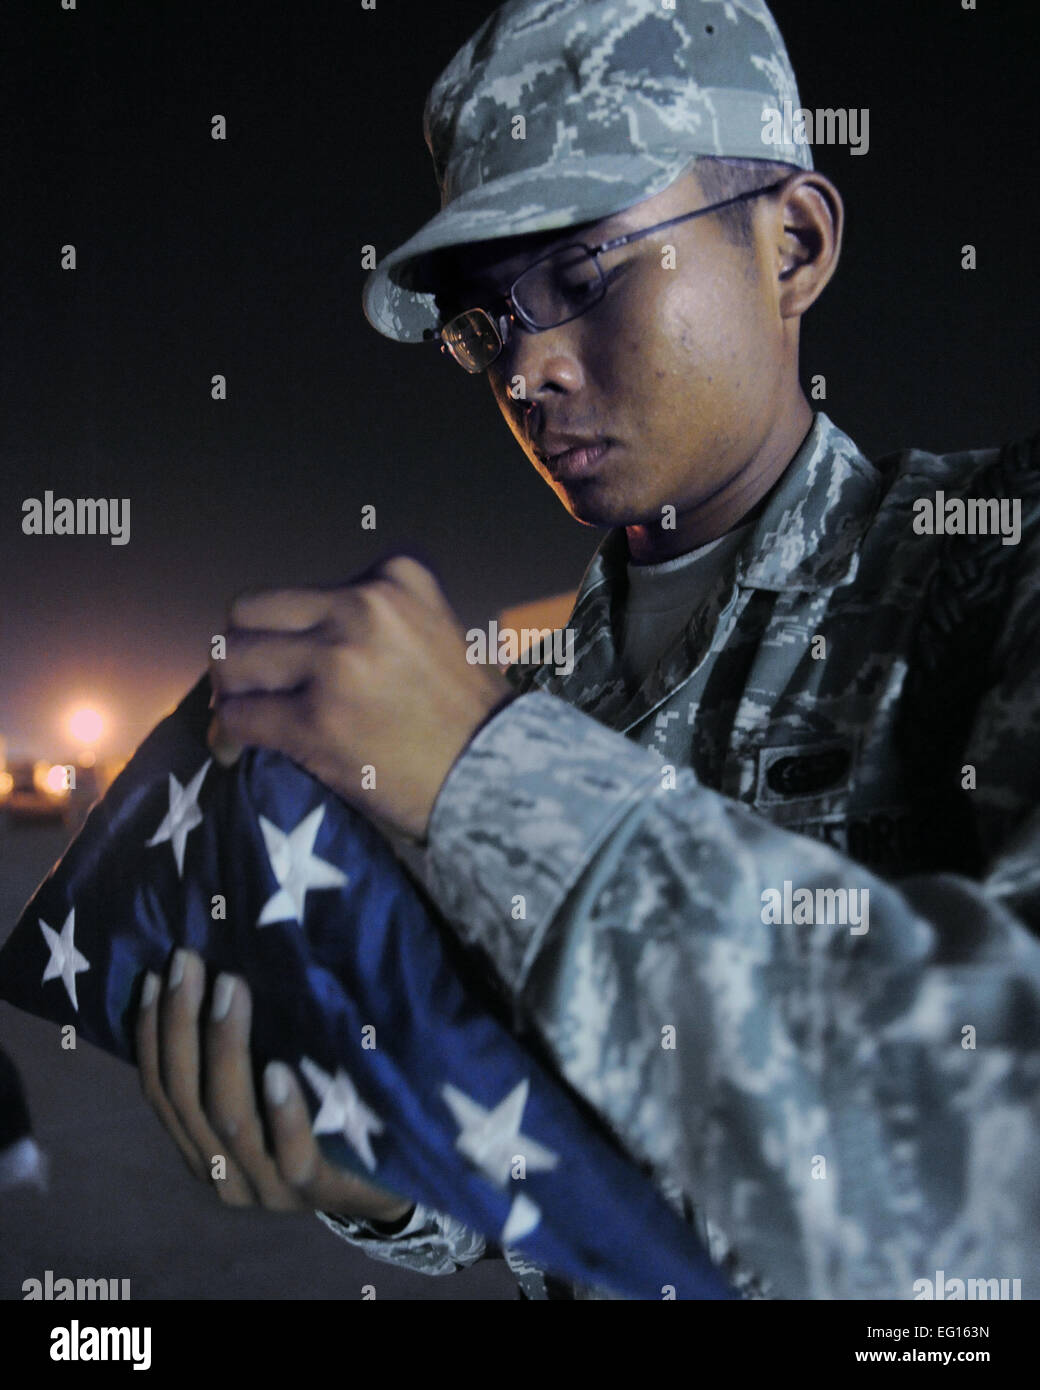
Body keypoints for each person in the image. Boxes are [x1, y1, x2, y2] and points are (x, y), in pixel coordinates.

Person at [137, 0, 1040, 1299]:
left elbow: (1003, 1165)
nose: (529, 368)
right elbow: (530, 1159)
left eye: (581, 273)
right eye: (484, 322)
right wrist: (389, 1173)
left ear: (791, 243)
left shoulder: (993, 564)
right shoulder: (532, 693)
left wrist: (486, 773)